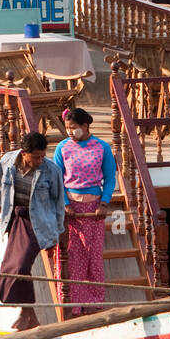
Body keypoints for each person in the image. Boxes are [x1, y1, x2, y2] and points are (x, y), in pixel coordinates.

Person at [0, 132, 65, 331]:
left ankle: (27, 314)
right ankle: (28, 314)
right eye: (36, 156)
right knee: (12, 267)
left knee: (20, 266)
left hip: (39, 224)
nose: (39, 160)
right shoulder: (8, 162)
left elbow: (58, 202)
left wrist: (58, 233)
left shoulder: (51, 170)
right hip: (16, 220)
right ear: (24, 153)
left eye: (42, 156)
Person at [52, 107, 117, 318]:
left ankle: (95, 303)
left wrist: (104, 204)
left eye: (74, 128)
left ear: (85, 126)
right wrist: (64, 204)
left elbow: (110, 178)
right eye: (67, 128)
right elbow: (57, 179)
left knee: (93, 255)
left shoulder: (102, 147)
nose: (70, 132)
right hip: (71, 209)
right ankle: (74, 304)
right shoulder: (62, 148)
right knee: (73, 255)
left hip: (94, 209)